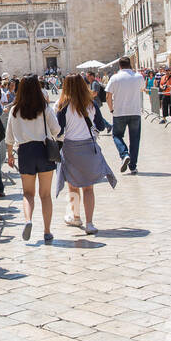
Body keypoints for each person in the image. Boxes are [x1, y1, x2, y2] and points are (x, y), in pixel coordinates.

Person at [54, 74, 116, 235]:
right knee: (88, 188)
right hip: (89, 147)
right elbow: (101, 126)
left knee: (73, 186)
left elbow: (59, 131)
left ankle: (76, 217)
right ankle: (90, 223)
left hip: (71, 149)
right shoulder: (92, 104)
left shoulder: (63, 106)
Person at [4, 75, 61, 244]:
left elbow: (9, 137)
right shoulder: (44, 108)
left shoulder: (14, 111)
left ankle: (28, 220)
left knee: (28, 193)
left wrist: (9, 155)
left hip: (25, 152)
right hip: (43, 150)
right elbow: (56, 130)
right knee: (45, 195)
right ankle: (47, 231)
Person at [105, 57, 144, 173]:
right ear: (130, 64)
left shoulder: (115, 78)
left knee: (116, 135)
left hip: (119, 112)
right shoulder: (138, 77)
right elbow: (142, 89)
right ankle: (133, 166)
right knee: (135, 139)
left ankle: (124, 154)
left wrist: (111, 109)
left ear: (119, 66)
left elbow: (108, 96)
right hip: (135, 112)